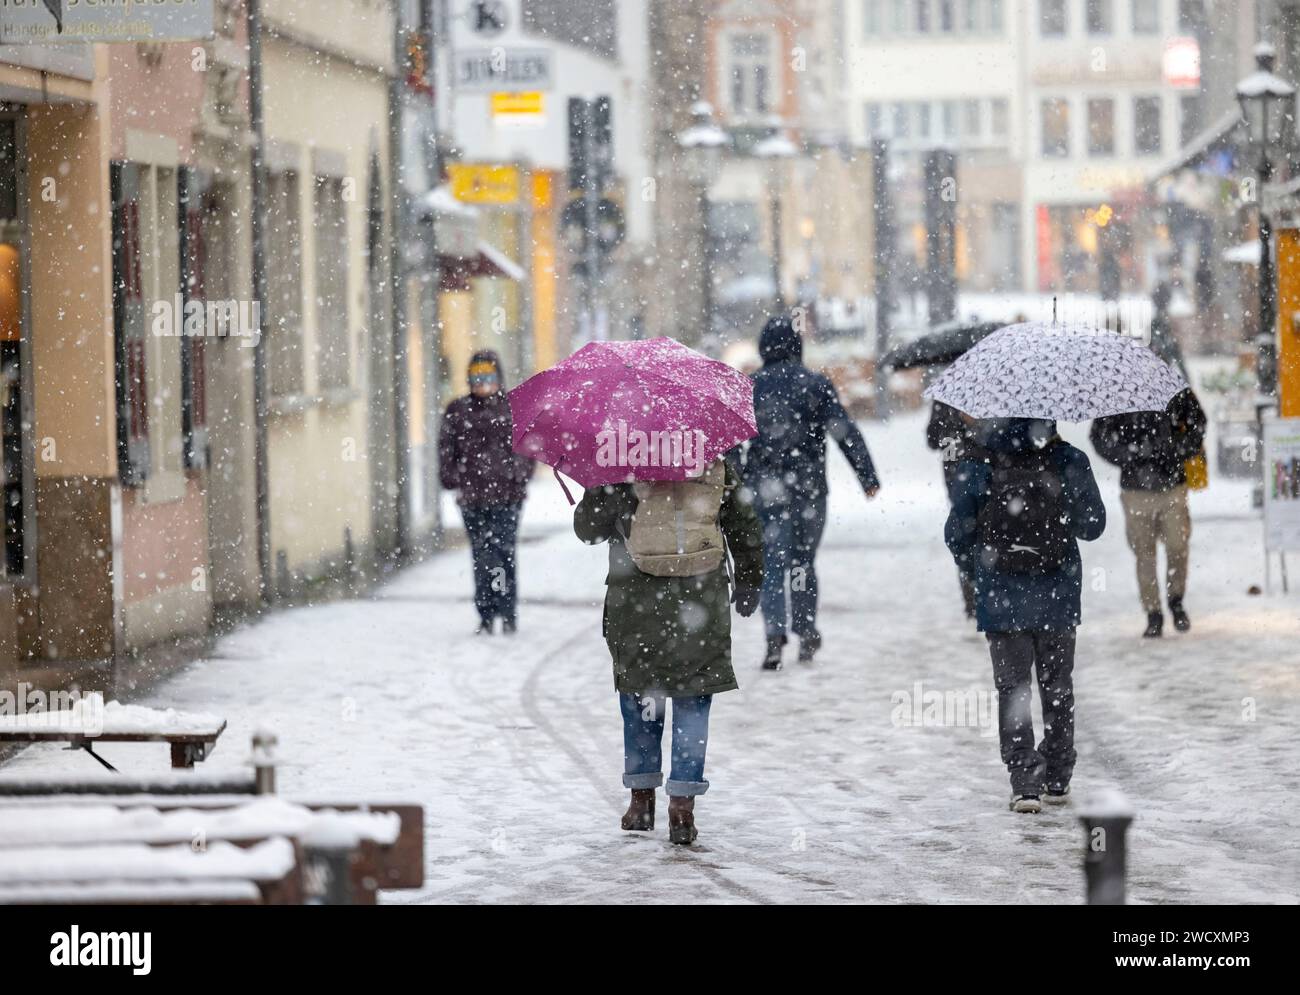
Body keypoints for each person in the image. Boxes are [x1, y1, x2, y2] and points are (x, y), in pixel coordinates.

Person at [574, 457, 763, 845]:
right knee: (693, 700)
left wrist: (607, 485)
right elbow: (744, 525)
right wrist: (749, 579)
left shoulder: (621, 456)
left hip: (637, 596)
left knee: (642, 697)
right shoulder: (714, 457)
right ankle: (682, 803)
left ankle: (641, 800)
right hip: (701, 597)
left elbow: (587, 530)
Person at [945, 417, 1106, 813]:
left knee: (1013, 690)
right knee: (1058, 686)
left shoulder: (979, 463)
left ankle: (1024, 782)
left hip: (1002, 599)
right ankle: (1057, 774)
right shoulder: (1070, 459)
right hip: (1058, 595)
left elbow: (956, 534)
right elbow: (1093, 526)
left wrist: (985, 568)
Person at [741, 315, 880, 670]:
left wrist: (739, 478)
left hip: (765, 489)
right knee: (802, 561)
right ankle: (804, 632)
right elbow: (843, 430)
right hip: (808, 490)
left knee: (771, 564)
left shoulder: (750, 386)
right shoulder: (815, 384)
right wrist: (866, 475)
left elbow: (732, 440)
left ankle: (774, 636)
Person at [1090, 388, 1206, 638]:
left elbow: (1198, 422)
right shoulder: (1116, 394)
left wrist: (1177, 450)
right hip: (1135, 490)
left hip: (1172, 486)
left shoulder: (1174, 390)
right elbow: (1099, 436)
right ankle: (1153, 612)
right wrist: (1129, 454)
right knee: (1144, 554)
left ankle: (1176, 599)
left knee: (1177, 545)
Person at [438, 350, 532, 635]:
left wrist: (517, 475)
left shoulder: (513, 408)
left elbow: (528, 448)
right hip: (473, 499)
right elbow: (446, 450)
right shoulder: (458, 411)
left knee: (504, 554)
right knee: (481, 555)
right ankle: (486, 614)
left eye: (488, 376)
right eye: (476, 377)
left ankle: (508, 611)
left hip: (507, 497)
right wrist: (456, 477)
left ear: (498, 378)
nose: (482, 383)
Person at [926, 400, 989, 621]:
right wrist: (954, 425)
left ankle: (977, 600)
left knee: (969, 535)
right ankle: (974, 601)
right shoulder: (947, 397)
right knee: (968, 536)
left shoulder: (948, 395)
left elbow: (933, 439)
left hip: (978, 480)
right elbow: (934, 439)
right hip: (963, 478)